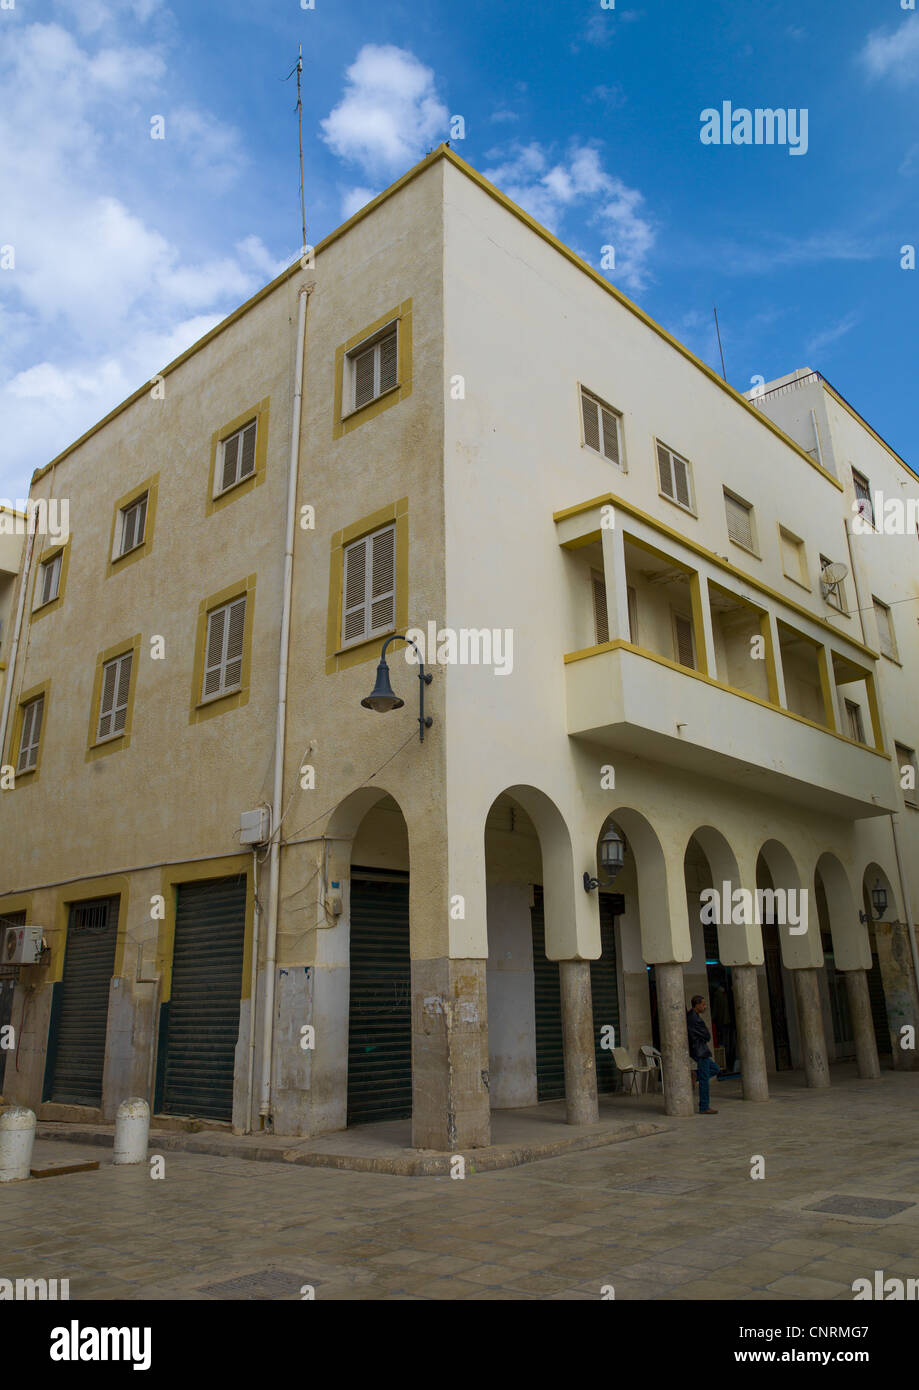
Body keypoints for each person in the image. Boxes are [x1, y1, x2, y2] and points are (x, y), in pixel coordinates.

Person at [687, 995, 721, 1114]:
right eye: (703, 1004)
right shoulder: (695, 1019)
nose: (705, 1007)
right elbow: (707, 1035)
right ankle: (704, 1106)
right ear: (697, 1005)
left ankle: (695, 1074)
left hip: (700, 1050)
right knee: (705, 1080)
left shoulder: (693, 1016)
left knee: (715, 1069)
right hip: (700, 1050)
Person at [711, 982, 735, 1071]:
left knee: (728, 1044)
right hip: (725, 1022)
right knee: (726, 1045)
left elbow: (715, 1011)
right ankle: (727, 1065)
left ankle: (728, 1064)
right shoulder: (720, 995)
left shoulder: (724, 994)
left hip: (726, 1022)